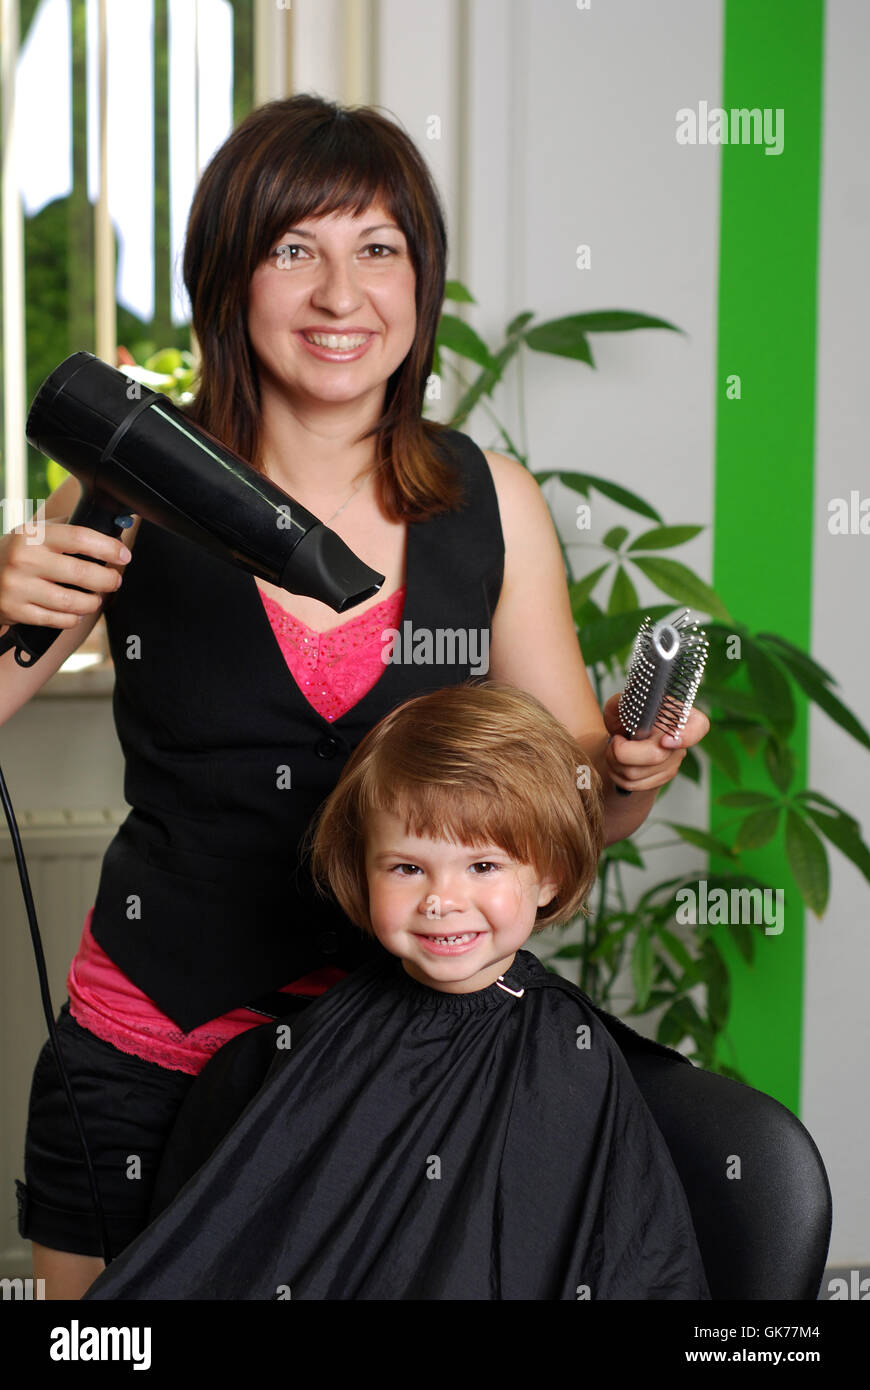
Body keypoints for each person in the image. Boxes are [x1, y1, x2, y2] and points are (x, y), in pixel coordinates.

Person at [0, 93, 709, 1300]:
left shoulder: (491, 503)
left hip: (400, 1063)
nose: (342, 296)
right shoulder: (125, 484)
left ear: (420, 282)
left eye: (378, 249)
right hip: (144, 1048)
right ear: (229, 280)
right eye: (295, 251)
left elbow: (566, 810)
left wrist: (629, 772)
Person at [83, 681, 710, 1301]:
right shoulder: (319, 1039)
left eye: (484, 866)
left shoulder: (563, 1056)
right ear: (363, 869)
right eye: (407, 868)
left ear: (549, 876)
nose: (441, 900)